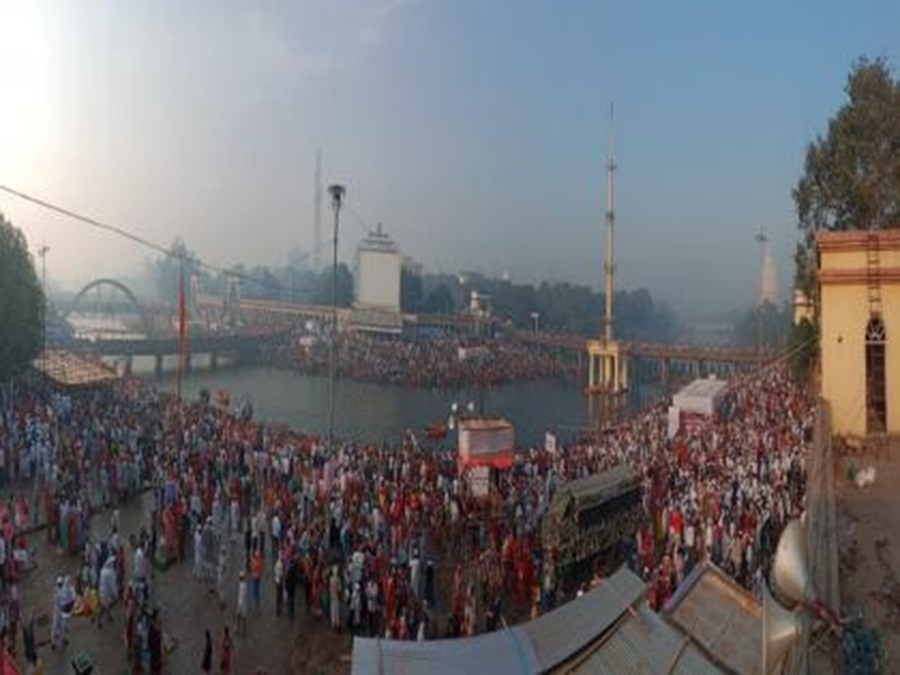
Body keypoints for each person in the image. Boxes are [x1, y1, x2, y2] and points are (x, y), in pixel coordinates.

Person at [236, 571, 247, 637]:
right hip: (244, 603)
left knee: (238, 617)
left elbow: (240, 595)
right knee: (243, 618)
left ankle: (238, 629)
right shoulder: (245, 585)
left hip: (240, 603)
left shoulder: (241, 585)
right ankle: (243, 630)